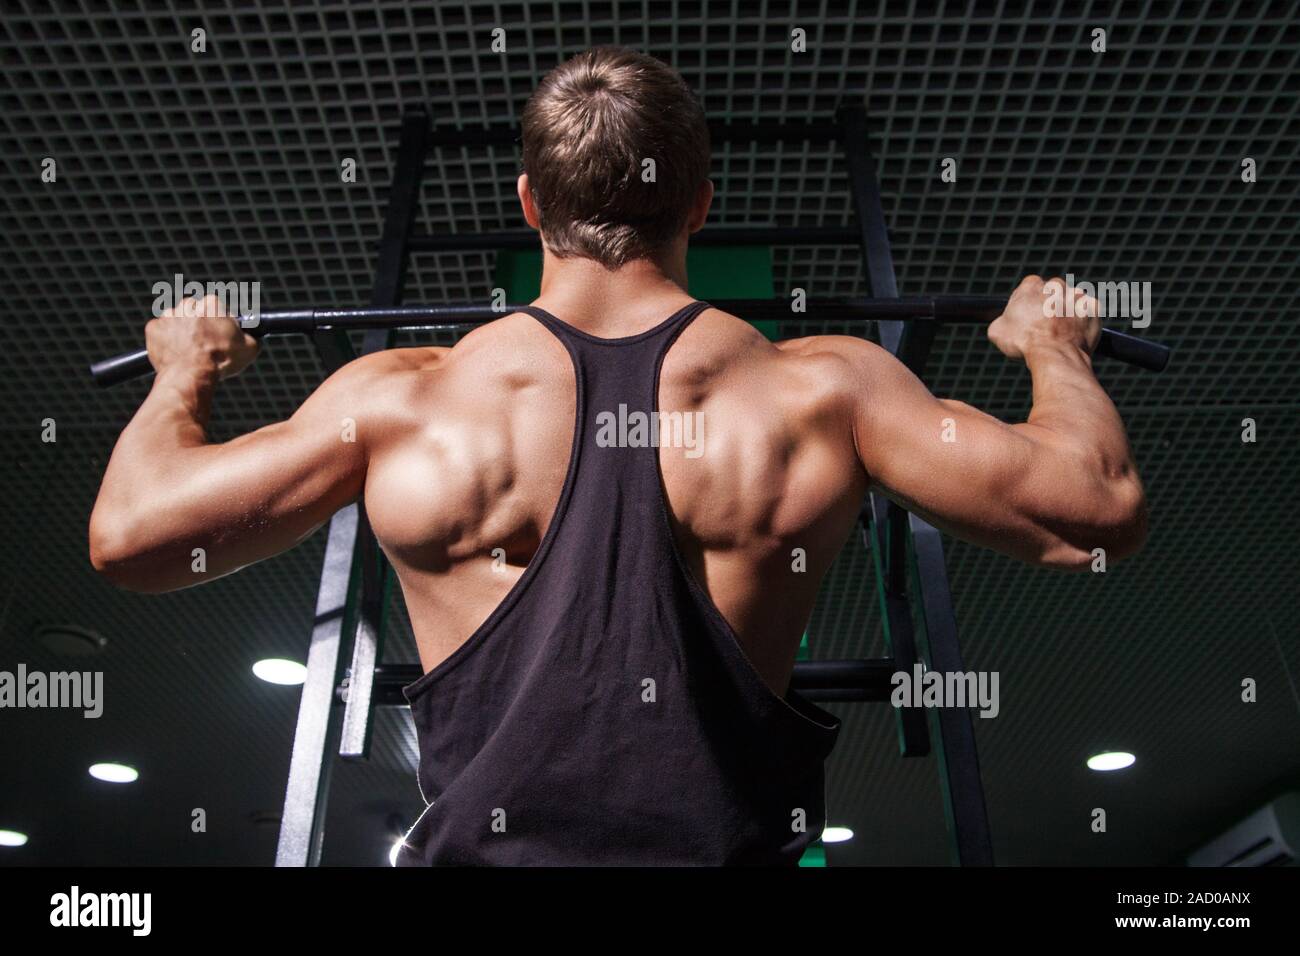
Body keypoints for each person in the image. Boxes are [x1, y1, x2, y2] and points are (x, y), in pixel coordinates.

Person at [88, 46, 1147, 865]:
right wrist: (1053, 351)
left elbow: (134, 538)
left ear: (530, 204)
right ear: (698, 203)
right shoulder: (824, 390)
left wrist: (185, 370)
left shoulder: (405, 400)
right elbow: (1091, 508)